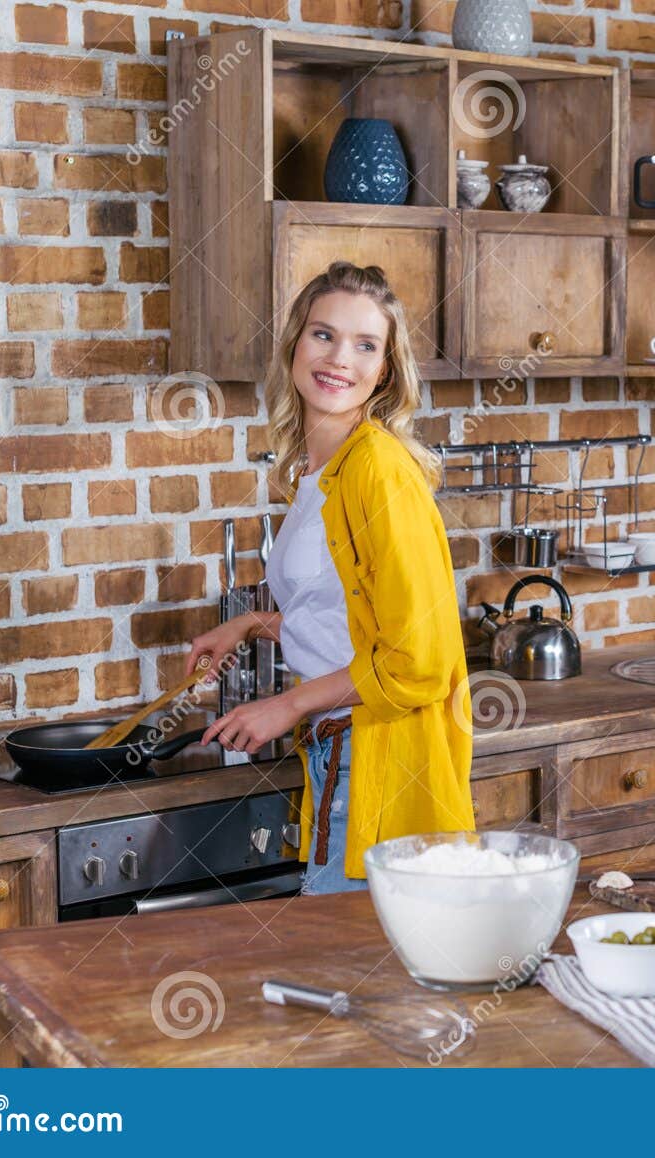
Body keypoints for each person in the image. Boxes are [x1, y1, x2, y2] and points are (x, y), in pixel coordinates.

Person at [186, 261, 474, 893]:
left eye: (365, 345)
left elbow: (416, 662)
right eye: (323, 335)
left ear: (386, 370)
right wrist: (252, 624)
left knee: (363, 979)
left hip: (380, 766)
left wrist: (286, 705)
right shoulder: (325, 473)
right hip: (339, 754)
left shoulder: (379, 471)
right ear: (294, 344)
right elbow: (349, 618)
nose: (339, 358)